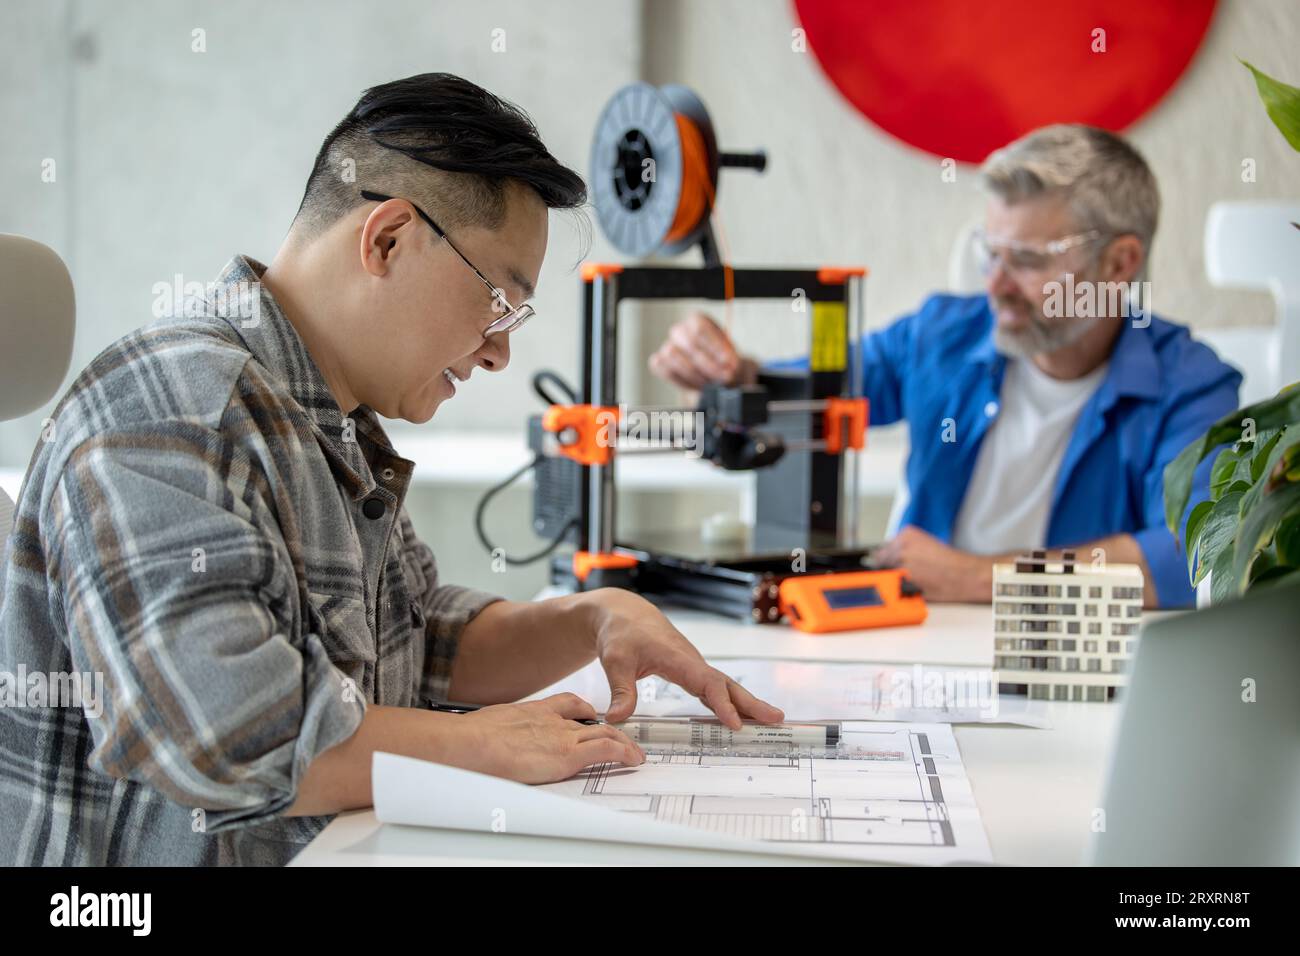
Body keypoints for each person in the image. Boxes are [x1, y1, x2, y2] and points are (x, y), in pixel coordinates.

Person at [0, 73, 783, 866]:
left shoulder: (332, 420)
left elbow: (422, 638)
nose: (500, 350)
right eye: (498, 301)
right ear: (387, 239)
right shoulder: (170, 407)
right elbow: (223, 734)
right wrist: (476, 746)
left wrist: (592, 619)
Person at [650, 125, 1240, 609]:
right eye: (991, 253)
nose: (996, 286)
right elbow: (800, 394)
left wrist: (977, 578)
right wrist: (725, 370)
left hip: (1069, 680)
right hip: (910, 647)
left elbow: (1195, 558)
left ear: (1119, 263)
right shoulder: (939, 335)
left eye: (1029, 261)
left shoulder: (1191, 386)